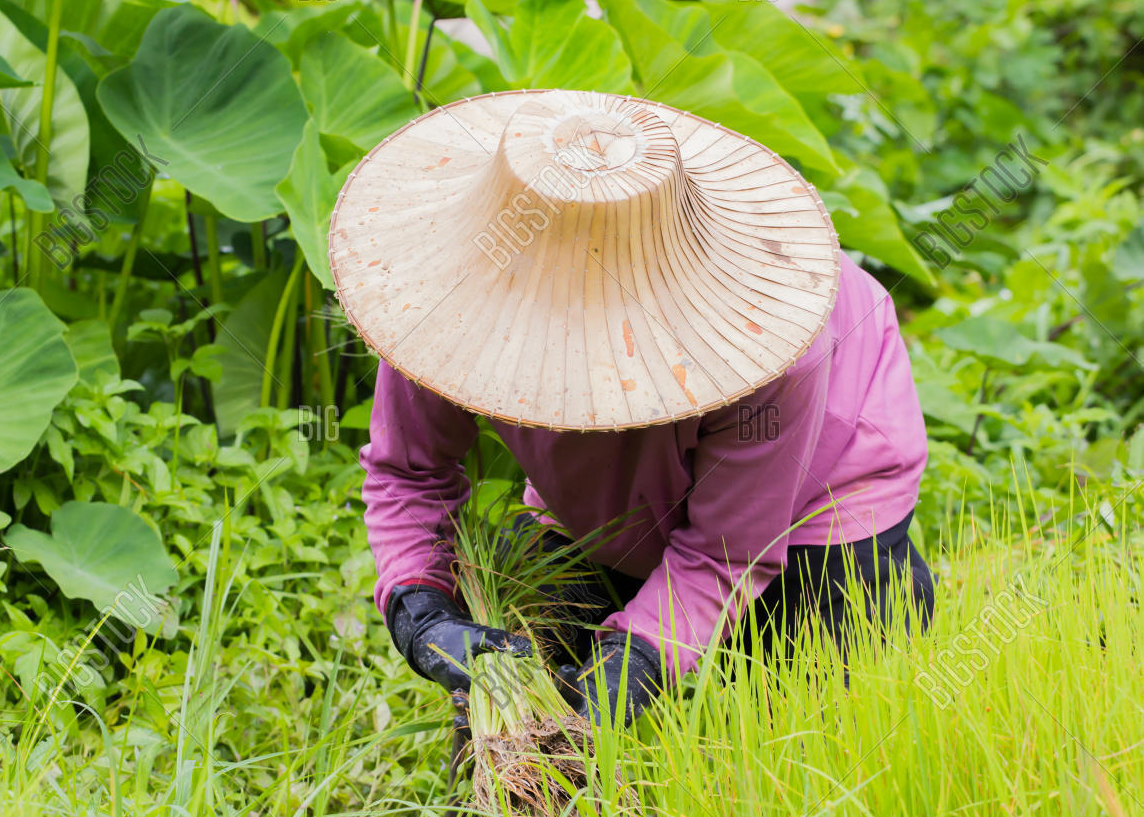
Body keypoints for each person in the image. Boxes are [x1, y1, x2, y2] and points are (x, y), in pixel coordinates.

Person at [329, 90, 935, 727]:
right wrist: (420, 609)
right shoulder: (444, 301)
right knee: (525, 720)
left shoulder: (774, 347)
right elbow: (410, 473)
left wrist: (635, 664)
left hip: (815, 496)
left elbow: (725, 550)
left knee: (797, 729)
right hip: (610, 496)